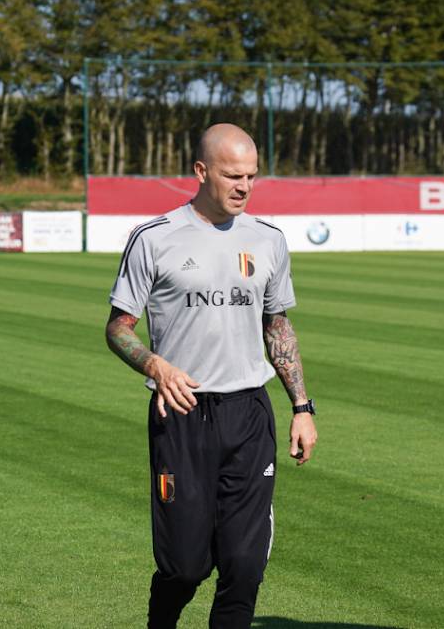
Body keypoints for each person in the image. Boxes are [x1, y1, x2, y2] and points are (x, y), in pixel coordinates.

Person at [105, 123, 318, 629]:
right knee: (184, 567)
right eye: (232, 175)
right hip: (181, 415)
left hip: (248, 414)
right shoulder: (152, 239)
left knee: (244, 568)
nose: (244, 186)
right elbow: (118, 328)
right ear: (201, 172)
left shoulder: (268, 239)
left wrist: (302, 408)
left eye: (252, 176)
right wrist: (154, 363)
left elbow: (278, 326)